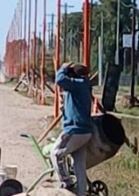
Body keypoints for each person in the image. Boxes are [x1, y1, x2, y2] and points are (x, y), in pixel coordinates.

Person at [51, 62, 93, 196]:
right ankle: (81, 193)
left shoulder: (78, 84)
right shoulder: (84, 86)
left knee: (56, 153)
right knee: (79, 166)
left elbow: (59, 80)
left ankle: (66, 183)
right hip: (85, 132)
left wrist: (63, 68)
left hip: (75, 130)